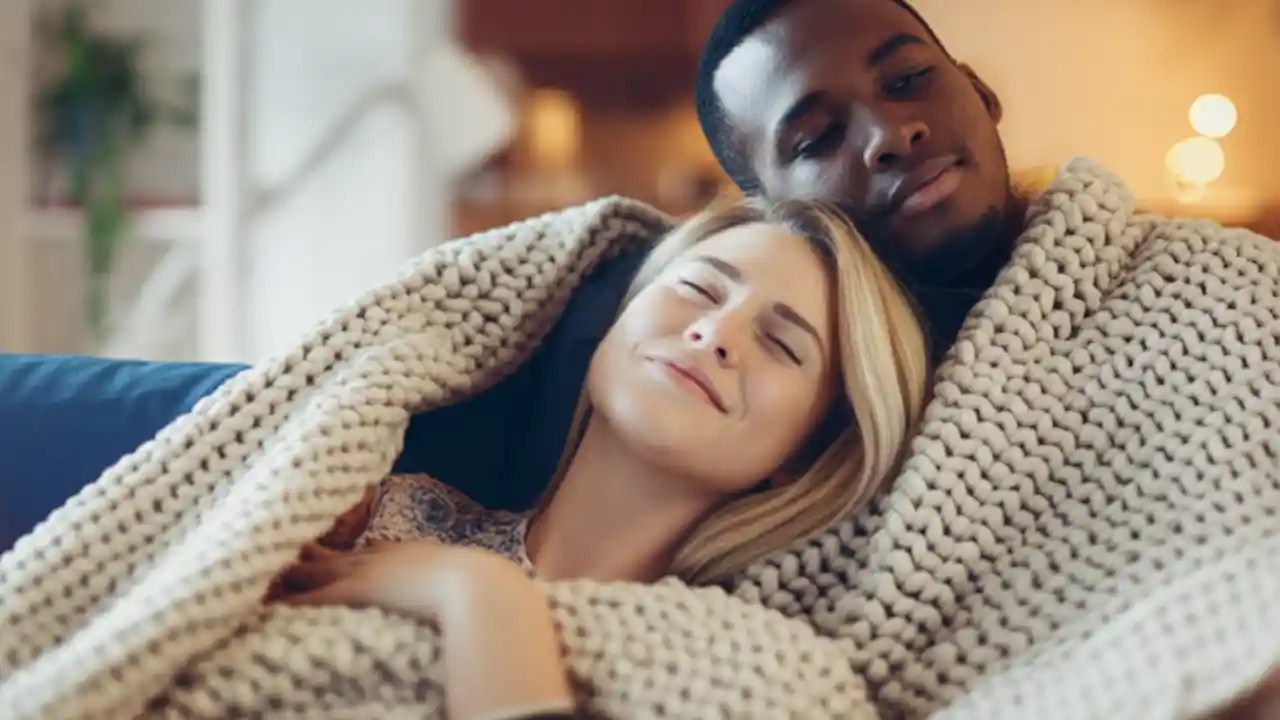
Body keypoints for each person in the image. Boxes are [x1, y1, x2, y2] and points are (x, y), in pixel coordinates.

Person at [272, 197, 929, 720]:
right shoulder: (373, 512)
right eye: (700, 289)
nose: (713, 333)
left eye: (783, 346)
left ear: (802, 455)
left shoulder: (761, 674)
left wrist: (477, 594)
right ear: (618, 320)